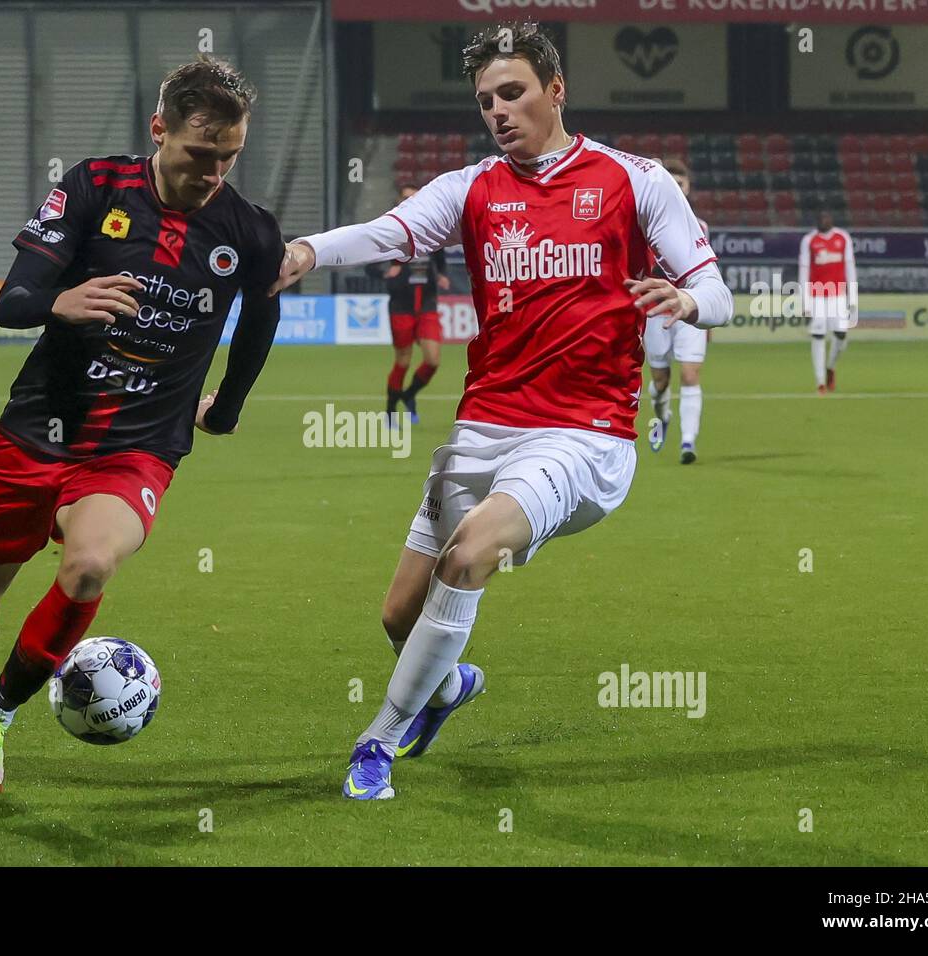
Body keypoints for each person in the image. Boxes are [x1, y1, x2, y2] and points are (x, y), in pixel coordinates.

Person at [271, 23, 732, 800]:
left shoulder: (635, 180)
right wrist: (306, 251)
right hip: (482, 425)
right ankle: (446, 690)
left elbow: (718, 292)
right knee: (398, 618)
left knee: (469, 553)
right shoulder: (475, 188)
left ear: (556, 91)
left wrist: (685, 298)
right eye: (485, 99)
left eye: (512, 93)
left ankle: (375, 745)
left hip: (581, 437)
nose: (498, 110)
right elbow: (388, 231)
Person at [0, 56, 284, 801]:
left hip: (137, 447)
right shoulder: (95, 187)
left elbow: (260, 326)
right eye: (200, 153)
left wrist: (226, 409)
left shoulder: (249, 231)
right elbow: (11, 300)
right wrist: (60, 301)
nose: (212, 172)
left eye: (228, 156)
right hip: (37, 428)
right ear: (159, 128)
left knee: (90, 565)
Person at [644, 157, 710, 464]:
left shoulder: (700, 227)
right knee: (660, 382)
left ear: (688, 187)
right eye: (672, 181)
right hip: (655, 312)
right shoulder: (644, 221)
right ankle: (662, 415)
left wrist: (706, 315)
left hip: (688, 311)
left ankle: (688, 442)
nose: (678, 187)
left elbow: (706, 276)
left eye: (682, 182)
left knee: (689, 373)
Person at [384, 185, 451, 424]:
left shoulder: (431, 228)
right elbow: (368, 258)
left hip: (427, 303)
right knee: (403, 360)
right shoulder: (388, 229)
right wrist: (386, 270)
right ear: (398, 202)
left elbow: (440, 254)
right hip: (401, 305)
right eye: (406, 198)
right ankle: (391, 410)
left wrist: (441, 273)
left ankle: (409, 395)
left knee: (432, 360)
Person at [799, 210, 857, 394]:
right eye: (821, 218)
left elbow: (850, 266)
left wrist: (853, 297)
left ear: (832, 219)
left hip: (838, 294)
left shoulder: (842, 237)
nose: (824, 220)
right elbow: (804, 270)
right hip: (816, 295)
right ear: (817, 220)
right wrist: (804, 301)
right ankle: (820, 382)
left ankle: (830, 366)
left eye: (827, 217)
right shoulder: (809, 240)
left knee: (841, 334)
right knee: (818, 335)